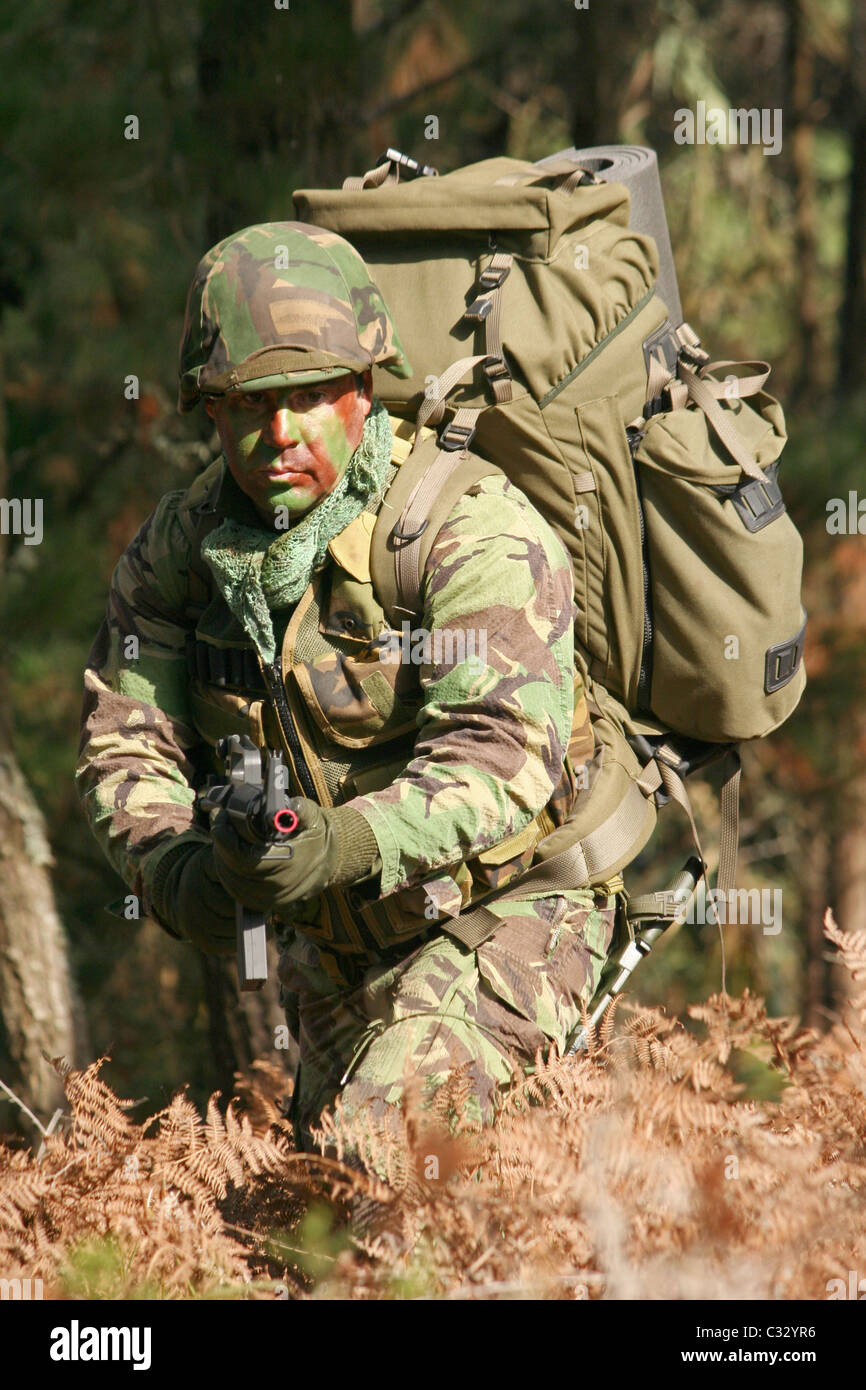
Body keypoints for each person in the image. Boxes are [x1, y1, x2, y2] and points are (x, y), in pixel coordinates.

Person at [76, 221, 617, 1153]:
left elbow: (501, 755)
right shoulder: (180, 551)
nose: (280, 433)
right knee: (316, 1216)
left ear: (364, 390)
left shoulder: (467, 527)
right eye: (249, 403)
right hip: (337, 958)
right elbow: (125, 740)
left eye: (310, 397)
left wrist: (342, 844)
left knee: (379, 1156)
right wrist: (188, 874)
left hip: (514, 908)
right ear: (208, 408)